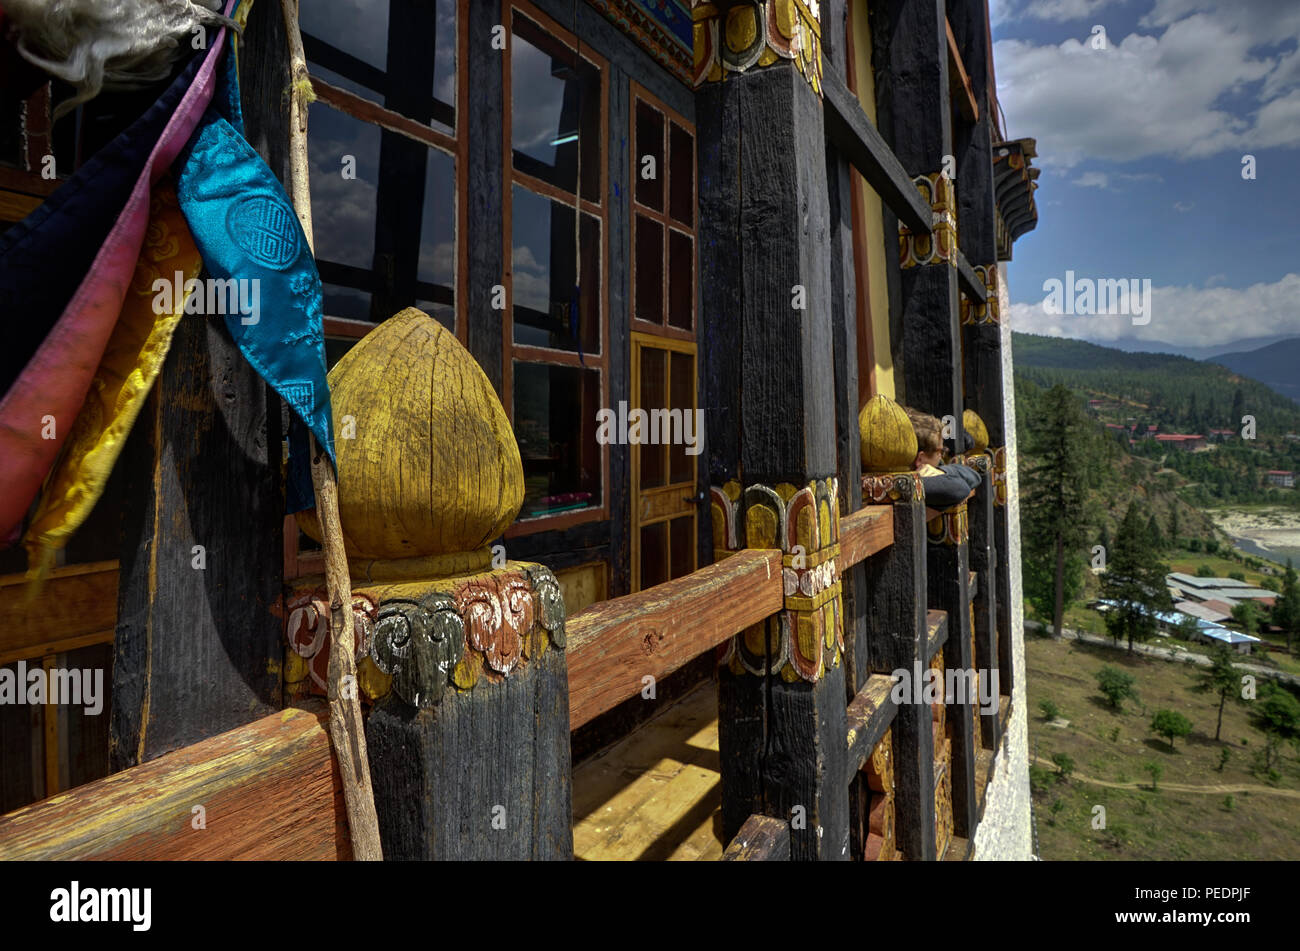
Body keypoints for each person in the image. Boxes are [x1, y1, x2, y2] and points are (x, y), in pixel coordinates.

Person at [901, 406, 980, 508]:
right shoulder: (916, 485)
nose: (941, 456)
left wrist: (941, 472)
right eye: (941, 451)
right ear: (920, 459)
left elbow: (974, 476)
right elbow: (961, 488)